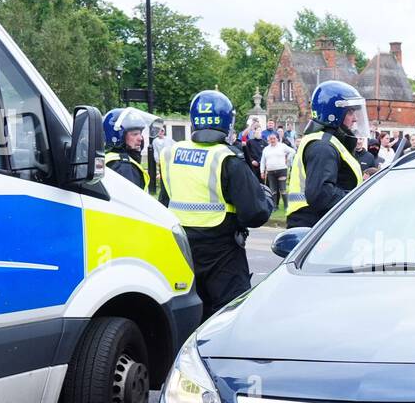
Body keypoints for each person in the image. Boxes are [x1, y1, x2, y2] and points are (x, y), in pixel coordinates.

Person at [162, 90, 274, 320]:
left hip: (180, 248)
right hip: (223, 255)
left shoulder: (171, 154)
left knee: (189, 316)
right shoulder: (228, 159)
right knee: (228, 318)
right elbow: (255, 213)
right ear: (228, 122)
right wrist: (267, 198)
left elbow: (164, 201)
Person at [286, 80, 368, 228]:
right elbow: (321, 195)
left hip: (320, 223)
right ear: (333, 114)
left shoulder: (330, 142)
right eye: (350, 111)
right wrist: (357, 199)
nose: (355, 118)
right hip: (313, 226)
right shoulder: (323, 146)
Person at [102, 107, 157, 191]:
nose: (140, 138)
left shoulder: (109, 157)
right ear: (118, 136)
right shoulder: (124, 166)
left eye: (140, 133)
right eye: (135, 134)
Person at [259, 130, 294, 212]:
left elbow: (292, 151)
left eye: (274, 138)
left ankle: (286, 206)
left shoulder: (282, 146)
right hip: (270, 172)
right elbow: (263, 161)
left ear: (277, 139)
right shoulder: (266, 149)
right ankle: (274, 206)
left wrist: (288, 160)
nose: (272, 140)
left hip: (281, 170)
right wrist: (262, 171)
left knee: (283, 189)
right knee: (273, 190)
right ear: (269, 140)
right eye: (271, 139)